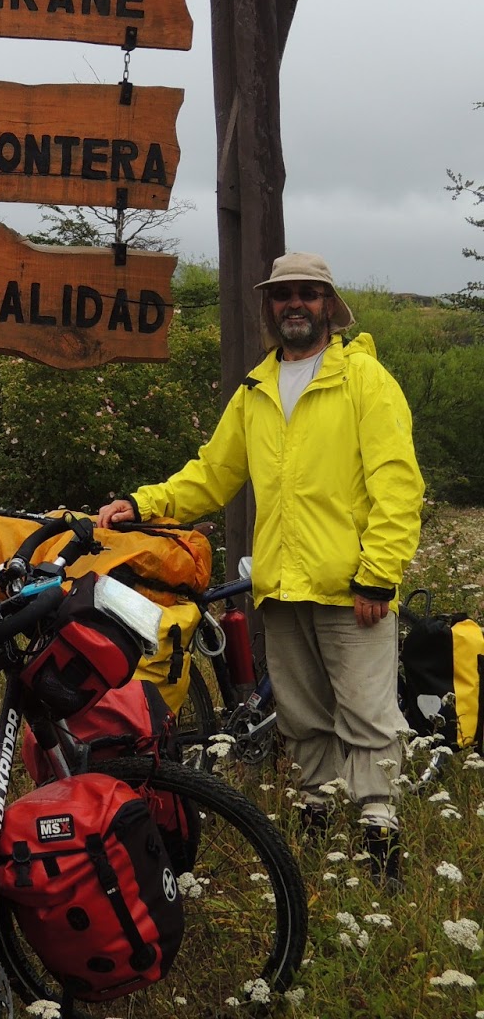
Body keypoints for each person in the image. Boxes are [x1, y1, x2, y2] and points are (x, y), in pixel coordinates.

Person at [97, 251, 423, 881]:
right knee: (302, 717)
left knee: (366, 713)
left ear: (329, 305)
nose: (293, 304)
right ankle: (318, 826)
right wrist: (143, 505)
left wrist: (379, 572)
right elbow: (212, 475)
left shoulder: (364, 380)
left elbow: (398, 484)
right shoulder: (257, 389)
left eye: (306, 293)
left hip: (352, 587)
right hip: (281, 585)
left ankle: (380, 838)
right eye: (282, 295)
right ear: (270, 307)